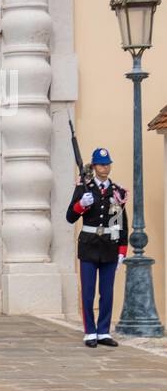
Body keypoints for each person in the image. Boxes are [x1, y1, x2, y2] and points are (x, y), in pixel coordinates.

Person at [65, 147, 128, 347]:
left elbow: (119, 222)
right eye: (101, 164)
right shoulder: (84, 188)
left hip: (109, 246)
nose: (105, 167)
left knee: (107, 292)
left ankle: (103, 332)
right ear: (93, 166)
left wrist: (121, 250)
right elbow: (70, 217)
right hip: (89, 247)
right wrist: (81, 204)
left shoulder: (117, 192)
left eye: (108, 163)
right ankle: (90, 332)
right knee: (89, 291)